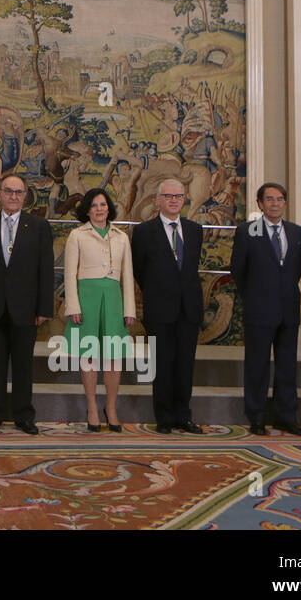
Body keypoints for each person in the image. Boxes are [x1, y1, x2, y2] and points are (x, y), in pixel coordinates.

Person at [0, 173, 54, 434]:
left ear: (25, 196)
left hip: (26, 309)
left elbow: (46, 271)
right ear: (0, 194)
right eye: (9, 191)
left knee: (23, 366)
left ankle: (24, 416)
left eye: (18, 192)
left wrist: (43, 308)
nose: (13, 196)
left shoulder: (39, 227)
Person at [229, 182, 301, 436]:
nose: (275, 204)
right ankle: (257, 416)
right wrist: (254, 296)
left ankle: (287, 416)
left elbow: (295, 270)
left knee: (287, 365)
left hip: (289, 309)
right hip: (259, 309)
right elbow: (238, 271)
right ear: (260, 204)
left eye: (280, 199)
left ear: (285, 203)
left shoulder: (297, 232)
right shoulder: (247, 231)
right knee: (257, 366)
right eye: (270, 199)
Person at [130, 178, 204, 434]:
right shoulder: (143, 232)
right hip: (159, 308)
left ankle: (183, 415)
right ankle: (163, 417)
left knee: (185, 364)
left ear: (184, 199)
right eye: (169, 196)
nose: (174, 200)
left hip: (189, 309)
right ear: (158, 200)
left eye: (179, 196)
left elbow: (191, 270)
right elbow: (139, 270)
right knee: (162, 364)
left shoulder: (195, 230)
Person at [62, 187, 136, 432]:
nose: (99, 209)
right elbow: (69, 274)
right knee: (90, 356)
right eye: (94, 205)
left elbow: (128, 276)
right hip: (87, 298)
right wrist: (73, 305)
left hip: (113, 299)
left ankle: (111, 408)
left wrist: (129, 310)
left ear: (109, 207)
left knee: (114, 358)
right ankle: (92, 406)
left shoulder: (121, 236)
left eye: (103, 204)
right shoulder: (77, 235)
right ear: (87, 210)